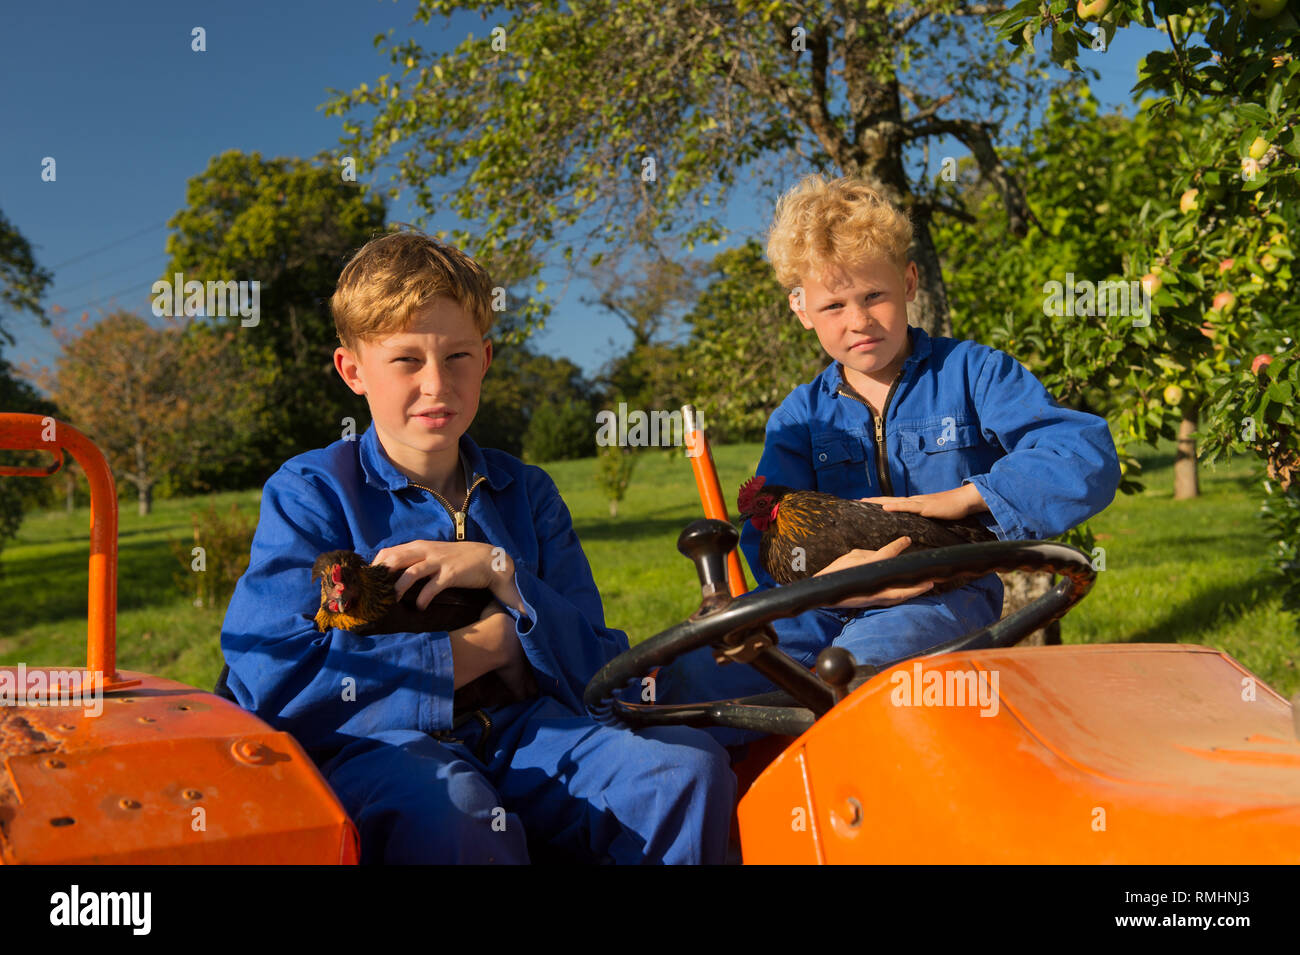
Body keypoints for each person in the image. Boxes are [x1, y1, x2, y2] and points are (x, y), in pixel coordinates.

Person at [220, 230, 734, 864]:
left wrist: (503, 573)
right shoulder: (313, 493)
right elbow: (274, 680)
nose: (437, 384)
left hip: (528, 736)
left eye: (458, 356)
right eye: (406, 359)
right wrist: (490, 645)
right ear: (352, 370)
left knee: (683, 773)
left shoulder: (528, 494)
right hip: (380, 749)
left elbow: (597, 668)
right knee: (458, 813)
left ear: (486, 359)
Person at [657, 173, 1120, 715]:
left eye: (874, 295)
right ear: (801, 309)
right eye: (834, 306)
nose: (859, 321)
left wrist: (970, 496)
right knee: (695, 674)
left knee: (857, 673)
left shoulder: (974, 373)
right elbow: (768, 537)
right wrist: (825, 582)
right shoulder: (800, 416)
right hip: (822, 601)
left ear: (909, 282)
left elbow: (1084, 456)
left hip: (946, 593)